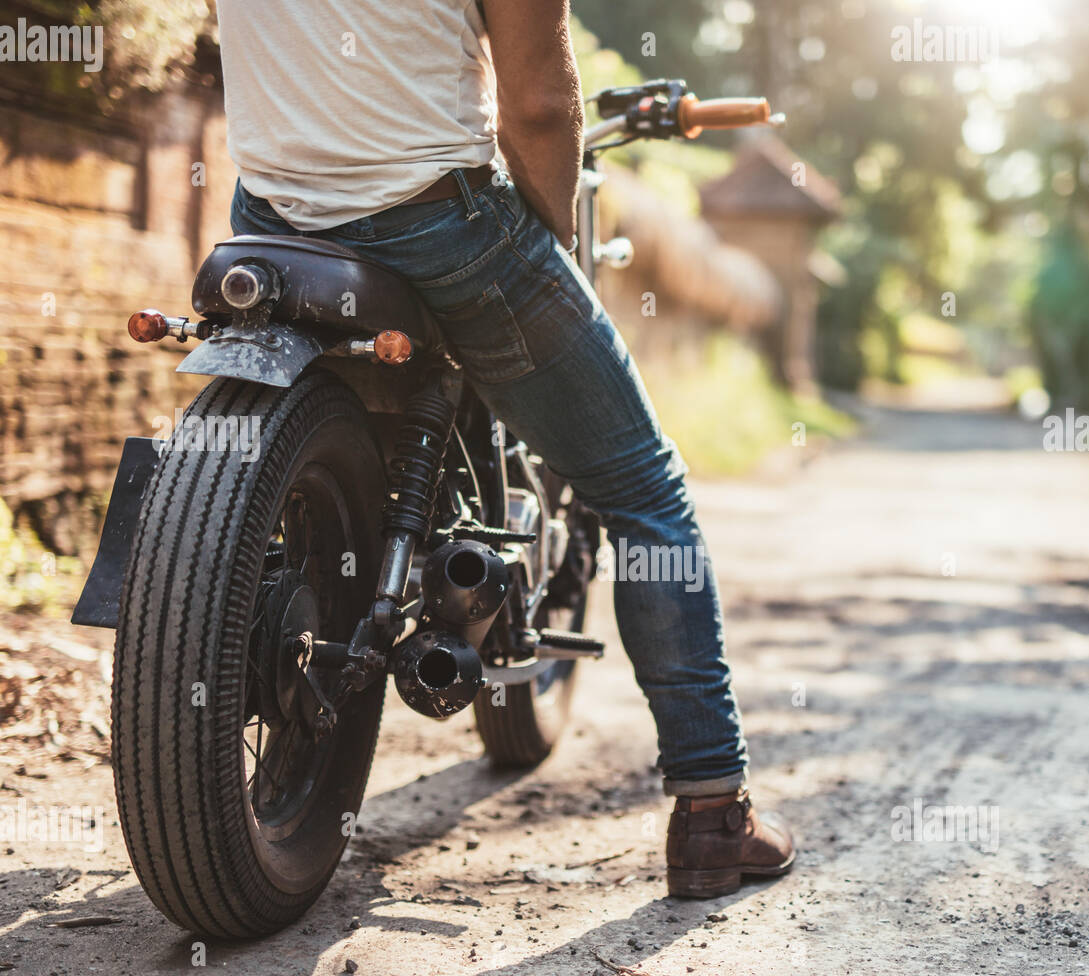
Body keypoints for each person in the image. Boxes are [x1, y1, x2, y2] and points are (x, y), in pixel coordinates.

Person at [213, 0, 794, 899]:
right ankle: (715, 812)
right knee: (644, 490)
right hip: (434, 218)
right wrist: (544, 245)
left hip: (270, 215)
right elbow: (538, 108)